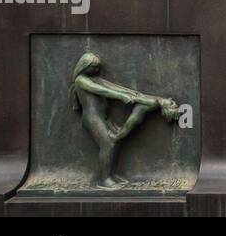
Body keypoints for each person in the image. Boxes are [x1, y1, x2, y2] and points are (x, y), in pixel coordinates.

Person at [70, 52, 179, 188]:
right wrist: (123, 96)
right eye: (93, 67)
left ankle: (111, 174)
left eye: (98, 67)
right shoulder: (81, 80)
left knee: (116, 142)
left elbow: (118, 88)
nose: (97, 70)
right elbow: (105, 91)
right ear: (84, 66)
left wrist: (145, 97)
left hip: (103, 117)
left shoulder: (95, 78)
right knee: (108, 145)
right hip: (93, 118)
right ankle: (103, 180)